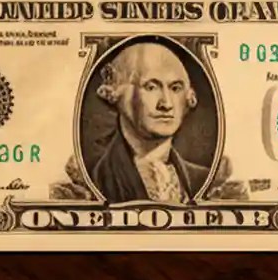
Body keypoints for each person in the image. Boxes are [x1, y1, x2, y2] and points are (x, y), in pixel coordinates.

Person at [89, 40, 210, 204]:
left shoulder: (204, 179)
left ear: (189, 98)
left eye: (175, 88)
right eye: (151, 87)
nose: (166, 104)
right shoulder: (92, 181)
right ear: (118, 95)